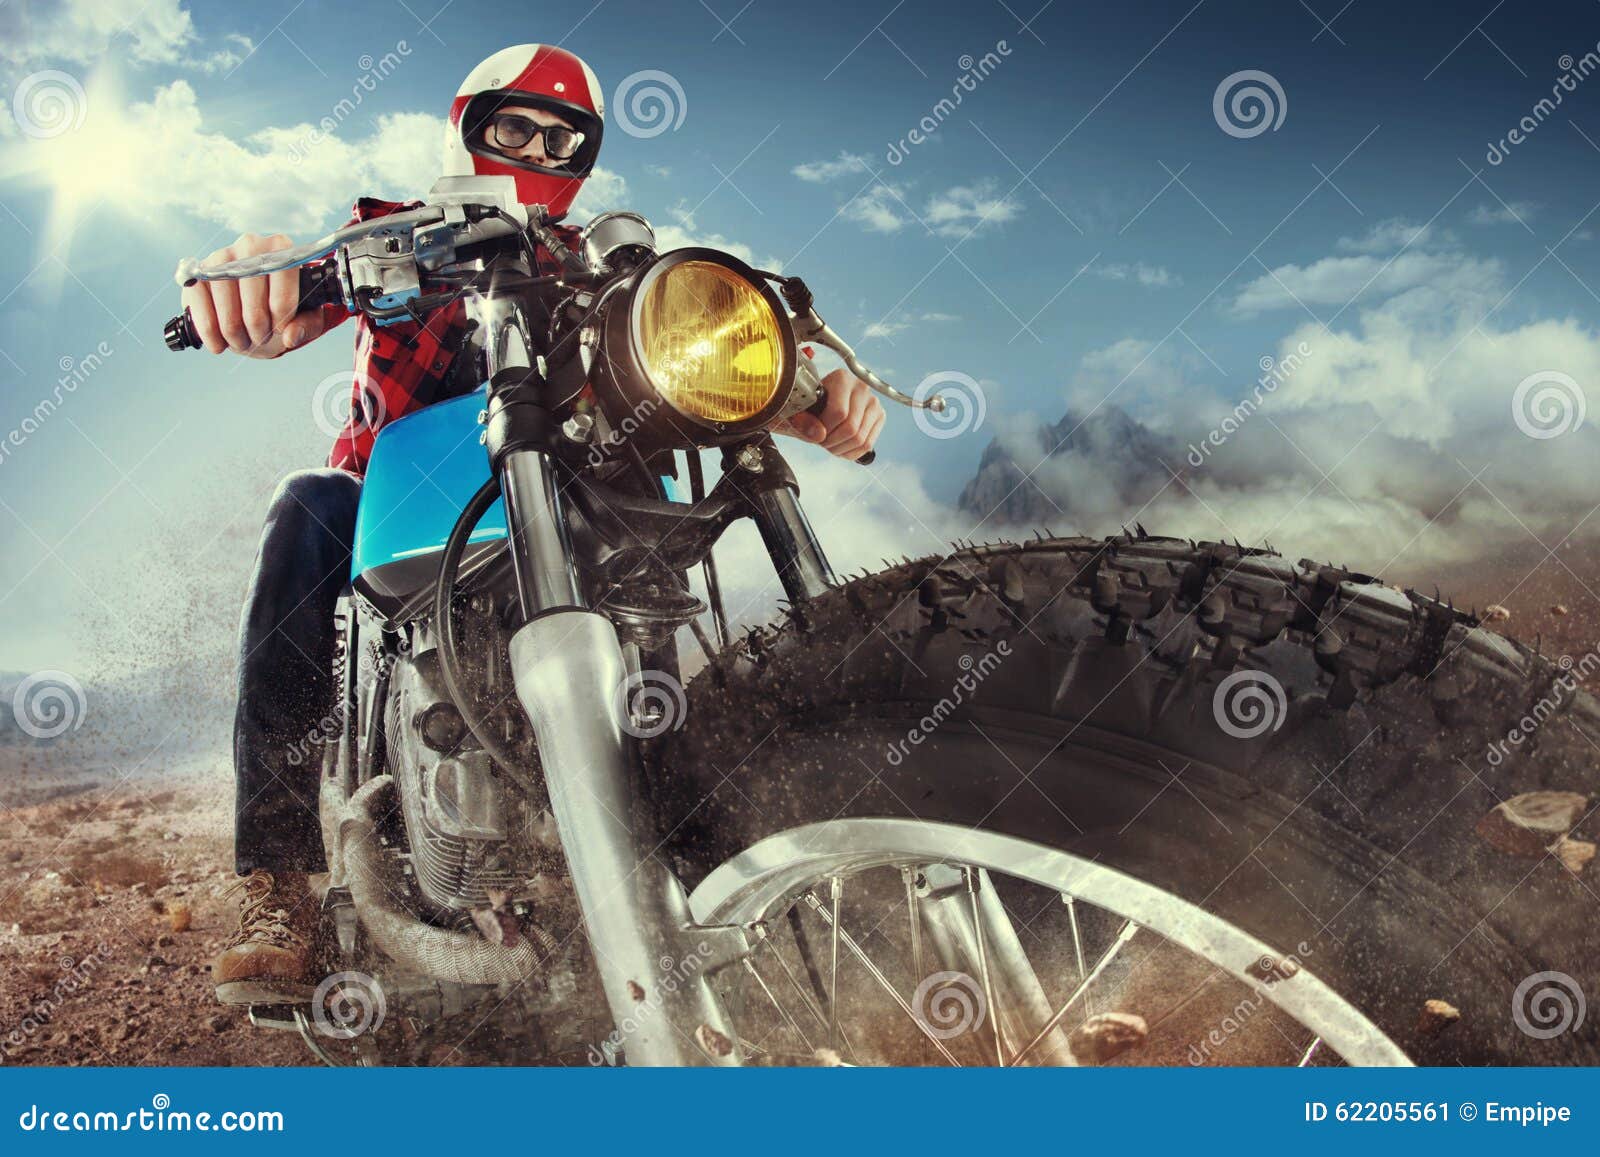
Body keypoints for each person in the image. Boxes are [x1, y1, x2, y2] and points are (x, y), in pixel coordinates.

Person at [186, 44, 886, 1005]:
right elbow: (292, 296)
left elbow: (695, 339)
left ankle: (722, 852)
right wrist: (253, 282)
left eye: (563, 140)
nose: (539, 152)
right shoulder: (395, 232)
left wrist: (809, 391)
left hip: (566, 505)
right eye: (517, 127)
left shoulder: (605, 272)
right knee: (304, 507)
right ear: (469, 128)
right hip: (402, 493)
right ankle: (276, 882)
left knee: (655, 545)